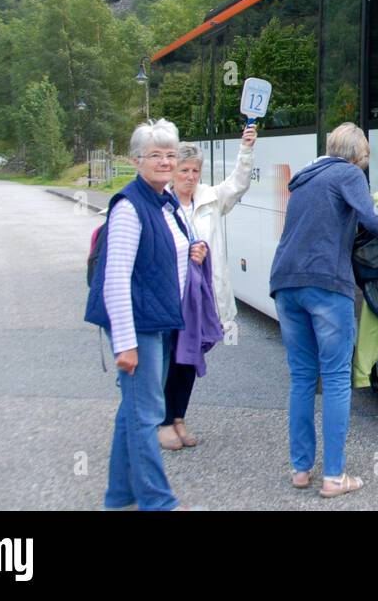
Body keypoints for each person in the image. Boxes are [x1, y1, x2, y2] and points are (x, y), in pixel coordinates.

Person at [83, 118, 207, 511]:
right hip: (138, 325)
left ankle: (120, 498)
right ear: (137, 160)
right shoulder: (129, 207)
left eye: (171, 154)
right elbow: (115, 277)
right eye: (156, 155)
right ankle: (159, 502)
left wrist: (193, 252)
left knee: (133, 412)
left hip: (158, 319)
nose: (166, 162)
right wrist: (125, 342)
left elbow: (164, 255)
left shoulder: (164, 201)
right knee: (147, 415)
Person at [269, 122, 378, 497]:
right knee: (337, 378)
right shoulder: (348, 172)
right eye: (365, 159)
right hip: (325, 284)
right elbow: (371, 221)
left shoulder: (307, 178)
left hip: (286, 283)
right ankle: (334, 477)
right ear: (357, 155)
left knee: (303, 378)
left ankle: (301, 469)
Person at [158, 124, 257, 450]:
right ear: (173, 172)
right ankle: (163, 421)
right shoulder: (161, 204)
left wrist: (246, 149)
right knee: (169, 359)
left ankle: (179, 418)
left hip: (199, 299)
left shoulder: (211, 200)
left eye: (195, 171)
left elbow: (238, 184)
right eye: (184, 170)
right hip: (170, 297)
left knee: (189, 358)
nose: (190, 176)